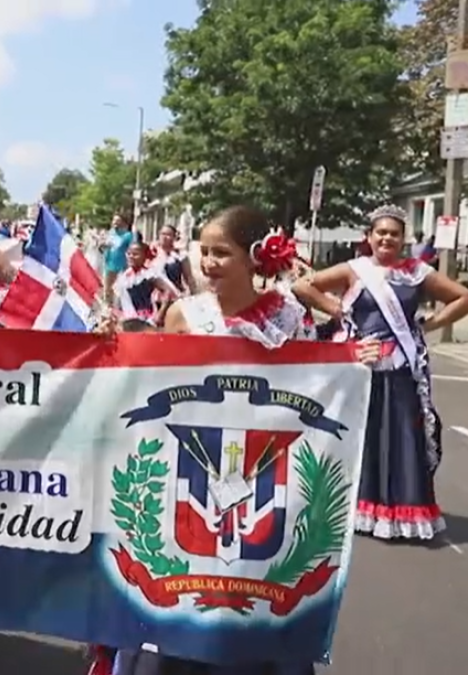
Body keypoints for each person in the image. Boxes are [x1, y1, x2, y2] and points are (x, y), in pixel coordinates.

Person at [90, 205, 379, 675]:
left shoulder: (289, 315)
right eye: (203, 251)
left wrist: (351, 363)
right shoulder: (183, 314)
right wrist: (111, 346)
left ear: (254, 257)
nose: (208, 263)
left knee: (250, 588)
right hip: (189, 468)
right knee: (186, 587)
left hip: (266, 470)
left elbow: (312, 381)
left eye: (221, 253)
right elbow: (149, 383)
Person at [293, 205, 468, 540]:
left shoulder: (417, 272)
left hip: (401, 368)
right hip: (360, 368)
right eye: (381, 232)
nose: (387, 238)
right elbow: (303, 286)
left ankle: (400, 510)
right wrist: (338, 309)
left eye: (394, 233)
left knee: (403, 437)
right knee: (359, 436)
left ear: (403, 239)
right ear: (369, 236)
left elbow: (465, 298)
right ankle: (357, 506)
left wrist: (429, 325)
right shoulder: (355, 270)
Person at [112, 238, 178, 327]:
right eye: (128, 253)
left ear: (144, 256)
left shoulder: (149, 274)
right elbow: (117, 302)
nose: (131, 256)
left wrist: (161, 313)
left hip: (148, 319)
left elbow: (168, 291)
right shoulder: (123, 278)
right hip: (129, 320)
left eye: (135, 254)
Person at [103, 213, 134, 301]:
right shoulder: (111, 234)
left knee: (120, 290)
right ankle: (108, 305)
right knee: (107, 289)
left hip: (121, 266)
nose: (115, 222)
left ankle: (119, 306)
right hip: (109, 265)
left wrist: (129, 264)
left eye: (117, 220)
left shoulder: (128, 235)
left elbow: (131, 249)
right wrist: (103, 246)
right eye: (114, 220)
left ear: (123, 222)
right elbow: (107, 247)